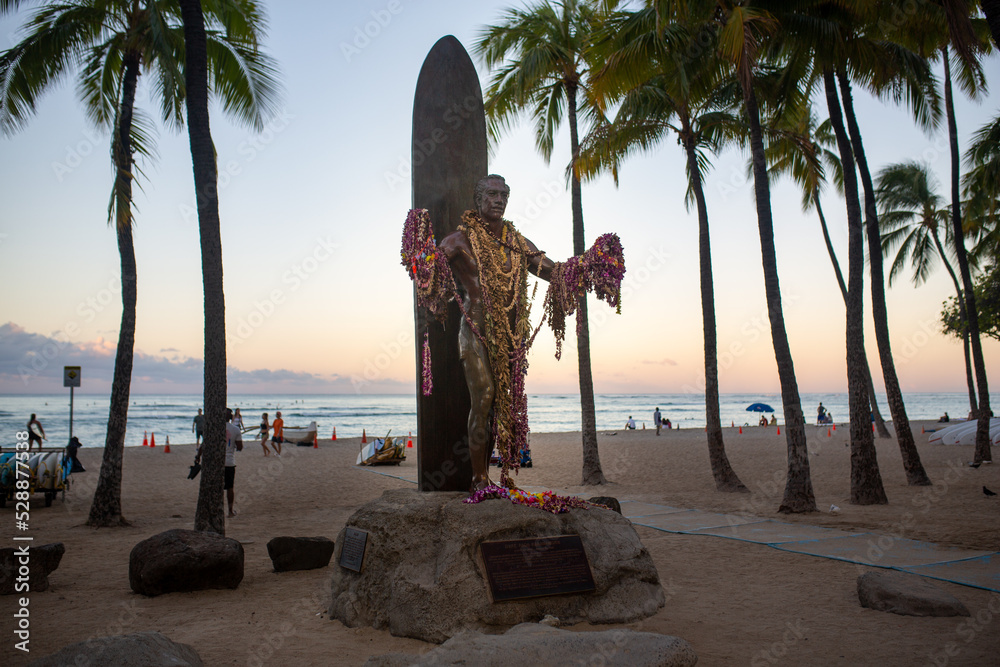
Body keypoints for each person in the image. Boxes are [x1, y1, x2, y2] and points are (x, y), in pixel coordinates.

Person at [440, 175, 556, 492]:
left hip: (506, 338)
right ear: (478, 200)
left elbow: (551, 270)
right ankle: (477, 478)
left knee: (498, 405)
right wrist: (421, 257)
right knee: (485, 396)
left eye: (504, 195)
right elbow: (429, 271)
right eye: (492, 194)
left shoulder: (517, 244)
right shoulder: (458, 241)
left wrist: (589, 266)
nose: (499, 200)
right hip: (474, 329)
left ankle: (491, 477)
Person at [224, 408, 243, 518]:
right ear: (231, 417)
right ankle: (230, 511)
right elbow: (240, 447)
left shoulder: (213, 428)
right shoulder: (235, 429)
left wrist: (198, 456)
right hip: (229, 462)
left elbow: (203, 445)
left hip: (216, 463)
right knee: (230, 487)